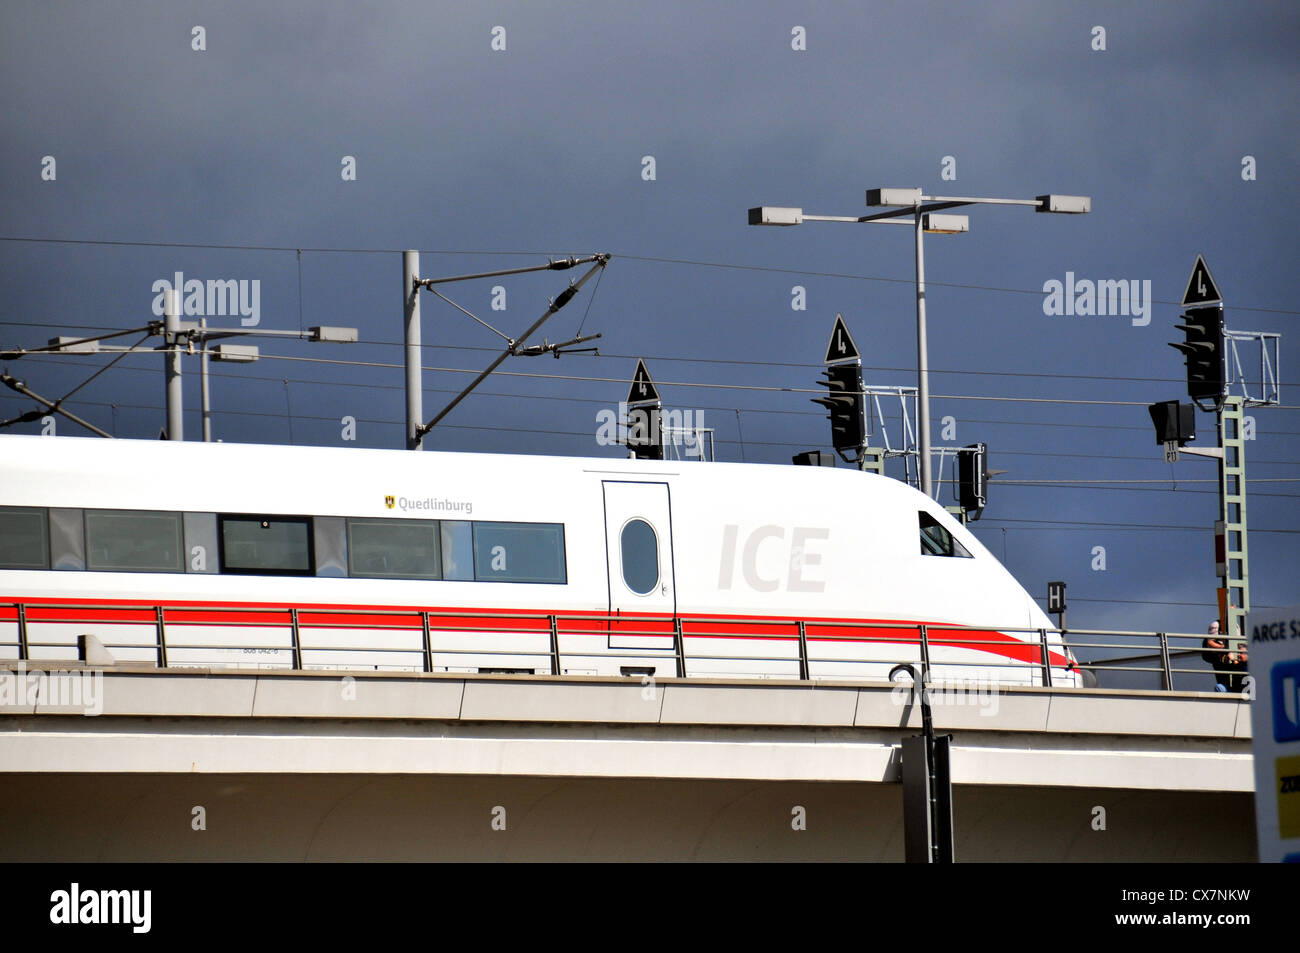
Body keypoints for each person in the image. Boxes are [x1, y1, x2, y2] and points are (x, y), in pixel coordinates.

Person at [1202, 620, 1249, 693]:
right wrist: (1224, 649)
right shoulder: (1215, 655)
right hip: (1229, 686)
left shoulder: (1247, 659)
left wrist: (1235, 661)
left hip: (1243, 690)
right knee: (1220, 688)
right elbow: (1207, 653)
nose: (1239, 654)